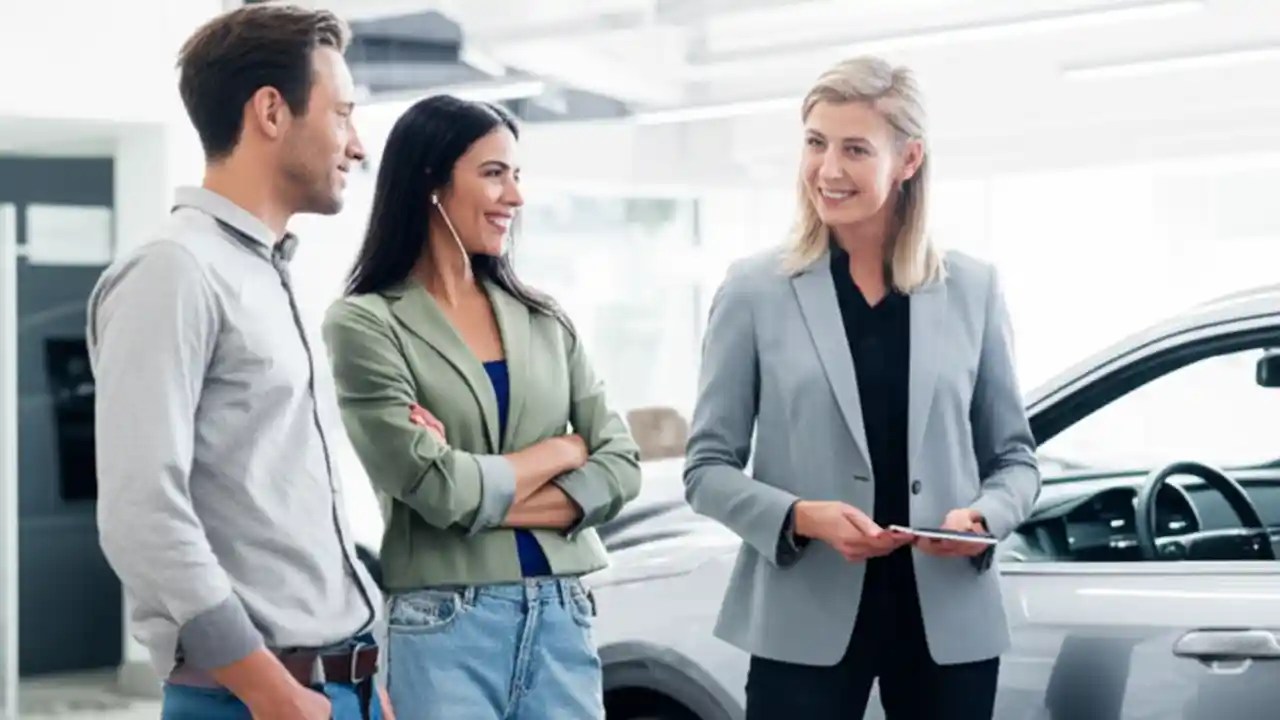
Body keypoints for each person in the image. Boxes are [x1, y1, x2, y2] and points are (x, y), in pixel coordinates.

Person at [683, 56, 1041, 720]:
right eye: (815, 143)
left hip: (946, 621)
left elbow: (1015, 460)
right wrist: (799, 517)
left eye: (854, 149)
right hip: (804, 617)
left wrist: (984, 519)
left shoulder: (973, 288)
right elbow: (706, 469)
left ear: (908, 161)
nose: (827, 169)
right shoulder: (755, 290)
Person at [87, 5, 393, 719]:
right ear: (270, 112)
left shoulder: (267, 272)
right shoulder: (174, 270)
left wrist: (361, 682)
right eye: (342, 114)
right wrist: (272, 692)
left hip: (341, 686)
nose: (355, 145)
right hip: (256, 700)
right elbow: (141, 512)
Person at [322, 94, 642, 720]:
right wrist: (560, 450)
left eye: (516, 176)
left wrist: (474, 492)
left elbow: (623, 466)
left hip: (561, 613)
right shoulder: (365, 324)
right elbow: (436, 490)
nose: (515, 197)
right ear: (430, 182)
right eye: (494, 173)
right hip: (444, 622)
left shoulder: (545, 319)